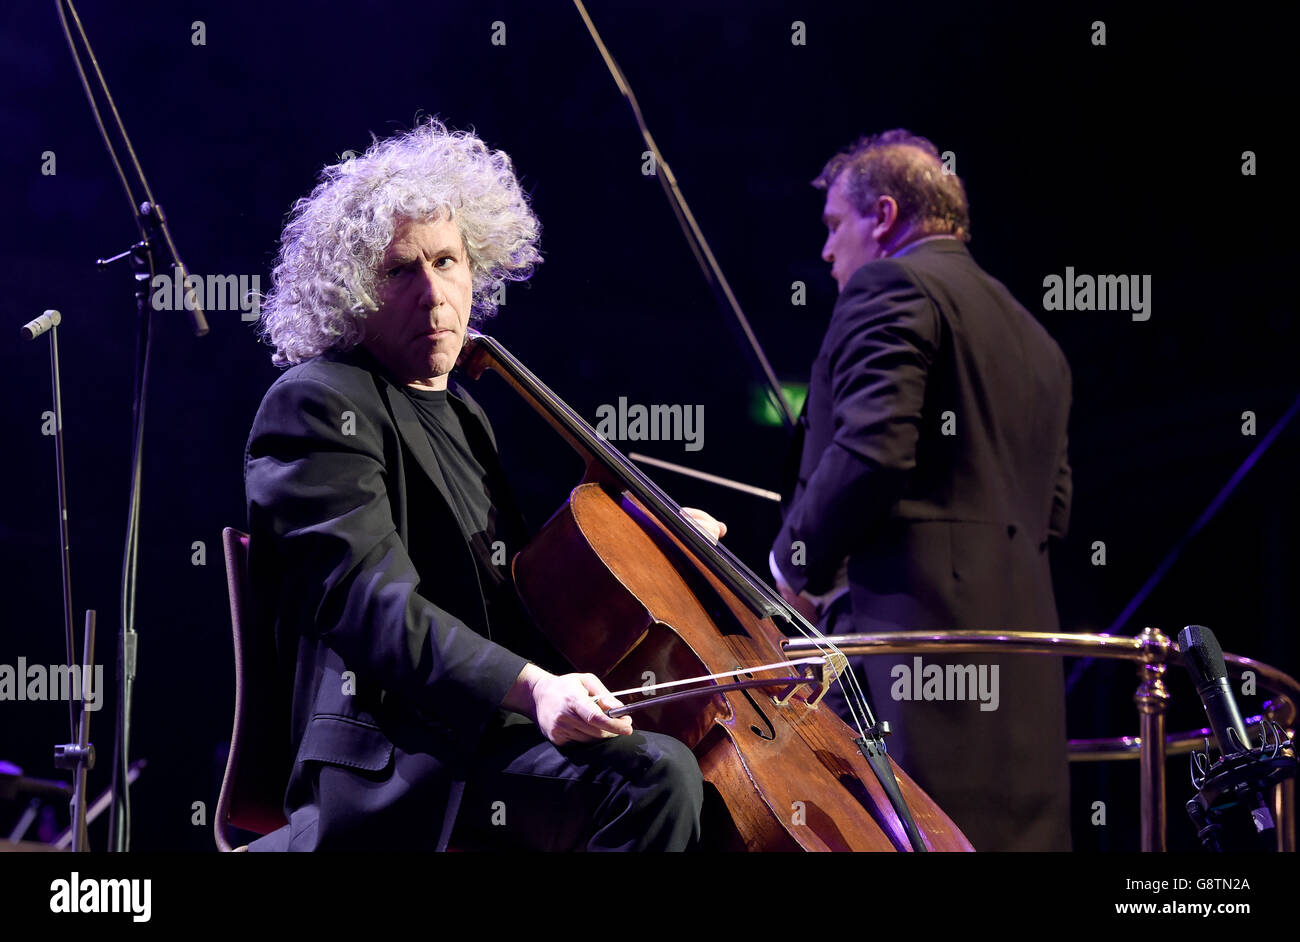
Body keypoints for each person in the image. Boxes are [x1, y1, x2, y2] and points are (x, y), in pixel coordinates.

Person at [244, 119, 715, 851]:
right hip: (395, 763)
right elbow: (373, 607)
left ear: (479, 268)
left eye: (448, 261)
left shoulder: (464, 412)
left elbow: (514, 601)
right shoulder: (318, 403)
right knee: (653, 779)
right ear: (352, 293)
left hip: (486, 741)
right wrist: (534, 688)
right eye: (401, 271)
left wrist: (653, 549)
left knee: (703, 781)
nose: (434, 294)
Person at [769, 130, 1074, 851]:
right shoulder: (1040, 341)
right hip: (1025, 675)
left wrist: (793, 568)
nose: (826, 252)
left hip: (912, 656)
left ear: (882, 215)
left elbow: (873, 453)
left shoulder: (891, 283)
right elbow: (1052, 511)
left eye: (834, 226)